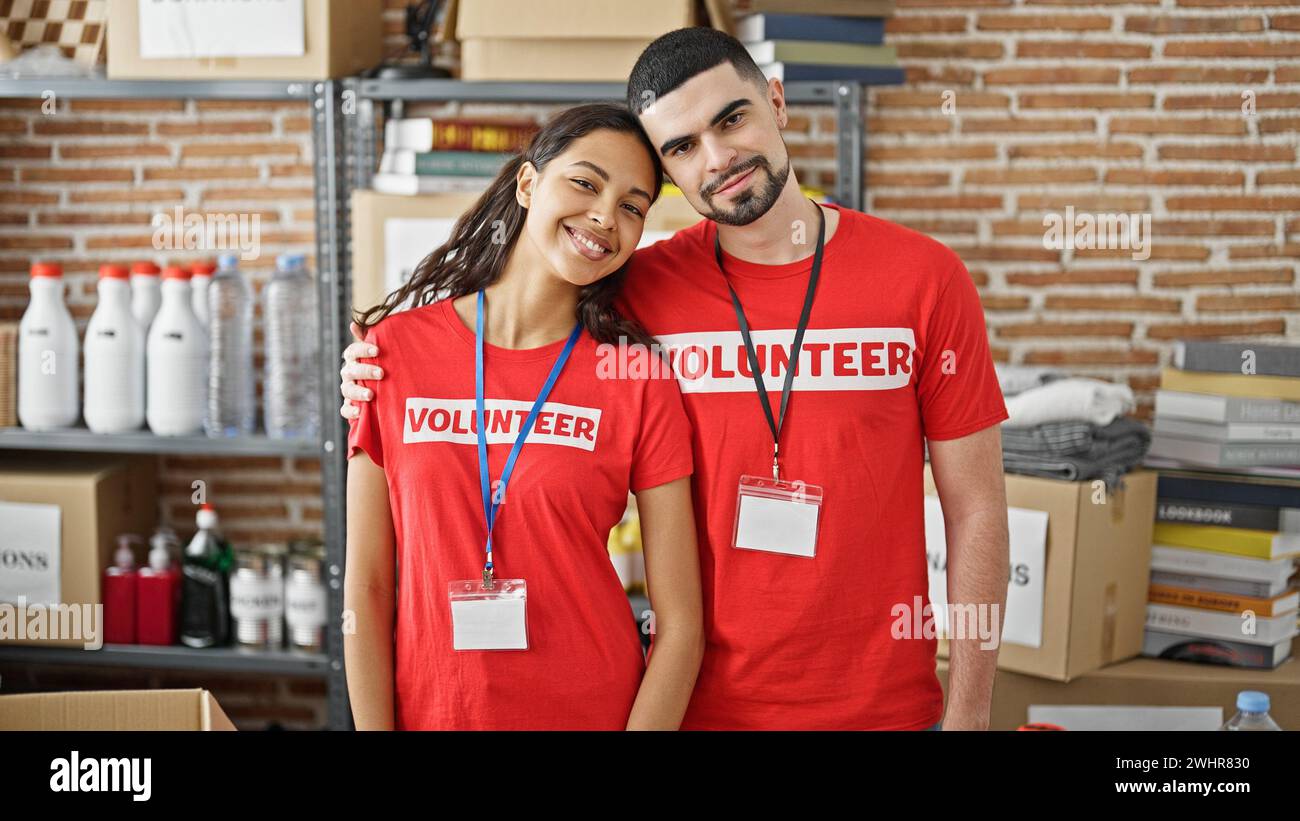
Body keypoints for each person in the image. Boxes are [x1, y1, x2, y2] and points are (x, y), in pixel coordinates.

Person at [342, 29, 1010, 731]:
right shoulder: (637, 291)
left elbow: (977, 511)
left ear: (776, 102)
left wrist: (970, 714)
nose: (718, 159)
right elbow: (512, 338)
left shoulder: (926, 281)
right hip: (698, 712)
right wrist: (370, 372)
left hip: (883, 711)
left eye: (731, 119)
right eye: (682, 148)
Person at [343, 103, 704, 730]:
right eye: (586, 183)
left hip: (591, 706)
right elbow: (366, 590)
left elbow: (681, 627)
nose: (603, 216)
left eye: (632, 206)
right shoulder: (392, 355)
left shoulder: (636, 380)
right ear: (529, 182)